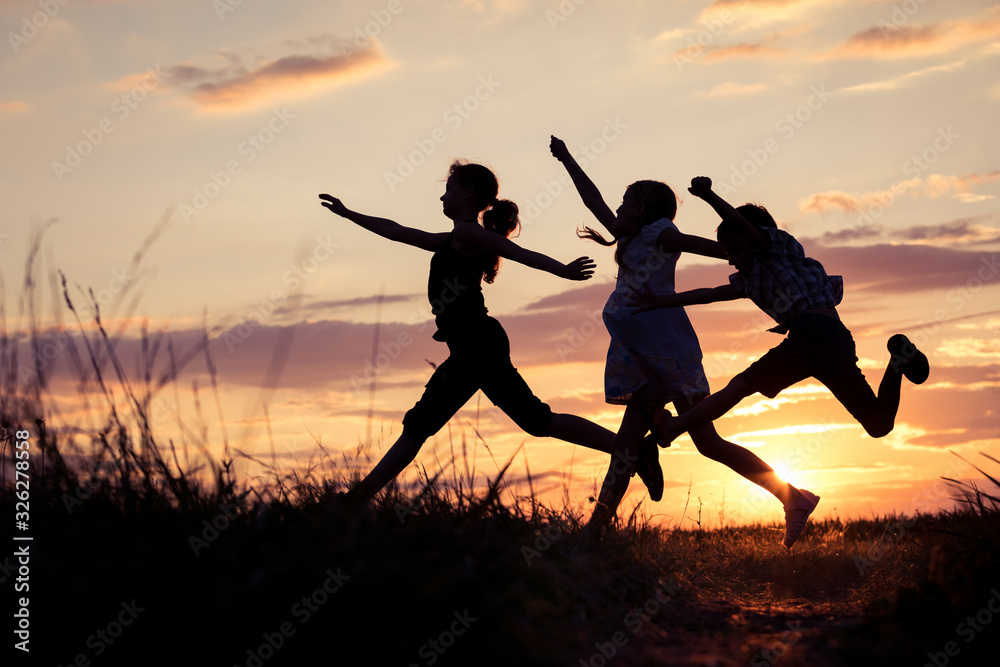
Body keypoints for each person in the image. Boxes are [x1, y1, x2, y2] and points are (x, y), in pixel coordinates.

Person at [318, 160, 662, 505]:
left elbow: (518, 252)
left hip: (476, 345)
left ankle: (355, 500)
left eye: (449, 188)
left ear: (468, 193)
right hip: (475, 344)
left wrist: (562, 270)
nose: (442, 195)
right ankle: (630, 451)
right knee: (535, 419)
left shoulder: (468, 234)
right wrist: (349, 214)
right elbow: (396, 230)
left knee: (421, 425)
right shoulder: (453, 238)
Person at [550, 137, 817, 547]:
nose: (616, 209)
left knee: (707, 443)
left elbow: (711, 248)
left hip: (668, 353)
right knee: (628, 448)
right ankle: (592, 535)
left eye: (624, 202)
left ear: (642, 210)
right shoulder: (629, 237)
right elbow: (593, 201)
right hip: (639, 354)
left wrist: (750, 248)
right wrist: (568, 158)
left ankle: (793, 497)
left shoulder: (660, 233)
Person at [639, 176, 930, 545]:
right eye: (726, 251)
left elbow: (746, 229)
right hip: (836, 340)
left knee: (740, 386)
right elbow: (710, 294)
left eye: (734, 248)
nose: (731, 257)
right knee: (878, 424)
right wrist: (659, 301)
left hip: (810, 334)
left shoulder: (773, 247)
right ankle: (897, 362)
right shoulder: (749, 275)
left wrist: (710, 195)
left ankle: (673, 429)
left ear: (751, 237)